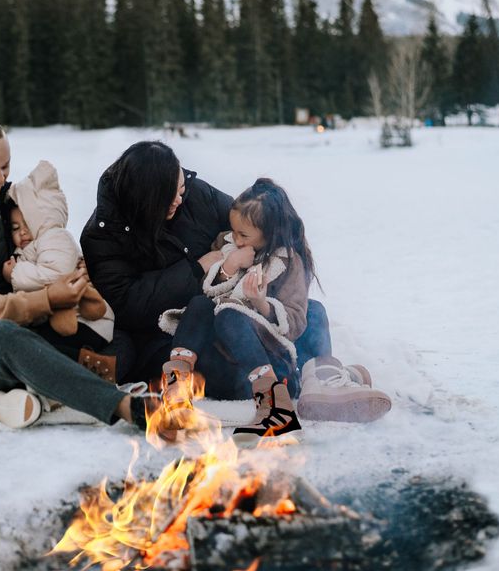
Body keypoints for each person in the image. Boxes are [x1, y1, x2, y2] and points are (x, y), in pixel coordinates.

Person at [80, 142, 380, 432]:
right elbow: (128, 304)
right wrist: (202, 268)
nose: (180, 200)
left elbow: (254, 223)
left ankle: (323, 377)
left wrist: (270, 272)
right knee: (226, 333)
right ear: (146, 199)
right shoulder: (103, 237)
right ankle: (290, 383)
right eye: (170, 197)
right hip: (174, 336)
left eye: (182, 189)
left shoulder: (196, 195)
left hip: (231, 310)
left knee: (309, 311)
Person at [0, 113, 152, 429]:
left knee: (116, 337)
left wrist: (68, 272)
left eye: (5, 167)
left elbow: (40, 241)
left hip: (22, 329)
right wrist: (47, 299)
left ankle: (27, 394)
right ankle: (119, 405)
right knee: (4, 337)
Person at [157, 178, 391, 447]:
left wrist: (261, 303)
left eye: (244, 235)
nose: (235, 238)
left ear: (270, 235)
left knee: (241, 314)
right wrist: (228, 267)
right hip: (223, 371)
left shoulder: (287, 264)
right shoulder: (227, 247)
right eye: (233, 231)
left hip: (271, 369)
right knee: (199, 305)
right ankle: (177, 393)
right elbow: (208, 292)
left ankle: (281, 406)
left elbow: (294, 322)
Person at [3, 159, 116, 380]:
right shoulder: (31, 247)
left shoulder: (55, 237)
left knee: (44, 347)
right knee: (36, 343)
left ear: (43, 218)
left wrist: (15, 274)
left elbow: (56, 275)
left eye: (28, 224)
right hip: (66, 319)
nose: (22, 233)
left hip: (87, 321)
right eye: (15, 228)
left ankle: (96, 372)